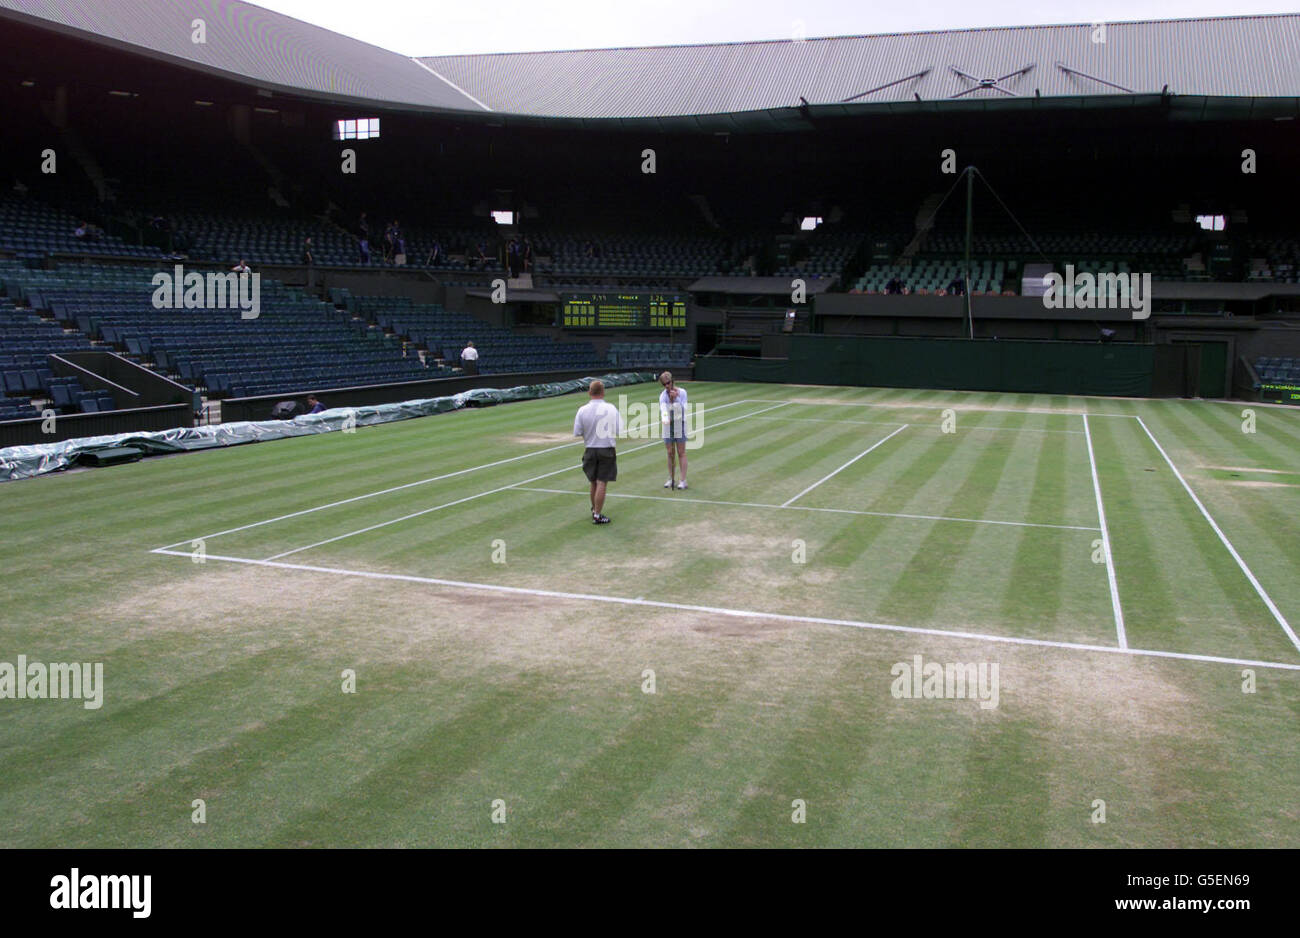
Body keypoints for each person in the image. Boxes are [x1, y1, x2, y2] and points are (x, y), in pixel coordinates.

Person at [573, 380, 621, 524]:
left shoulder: (582, 410)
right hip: (606, 448)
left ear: (589, 393)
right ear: (603, 392)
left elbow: (578, 432)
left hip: (590, 449)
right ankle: (597, 515)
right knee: (601, 483)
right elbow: (619, 430)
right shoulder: (611, 408)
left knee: (594, 482)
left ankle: (595, 510)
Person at [658, 371, 689, 489]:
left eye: (668, 383)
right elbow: (663, 411)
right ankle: (671, 478)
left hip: (680, 423)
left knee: (681, 452)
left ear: (672, 381)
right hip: (668, 425)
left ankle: (683, 480)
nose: (666, 386)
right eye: (664, 384)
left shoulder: (682, 393)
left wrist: (676, 399)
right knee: (670, 453)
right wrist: (666, 417)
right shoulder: (663, 396)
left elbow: (684, 409)